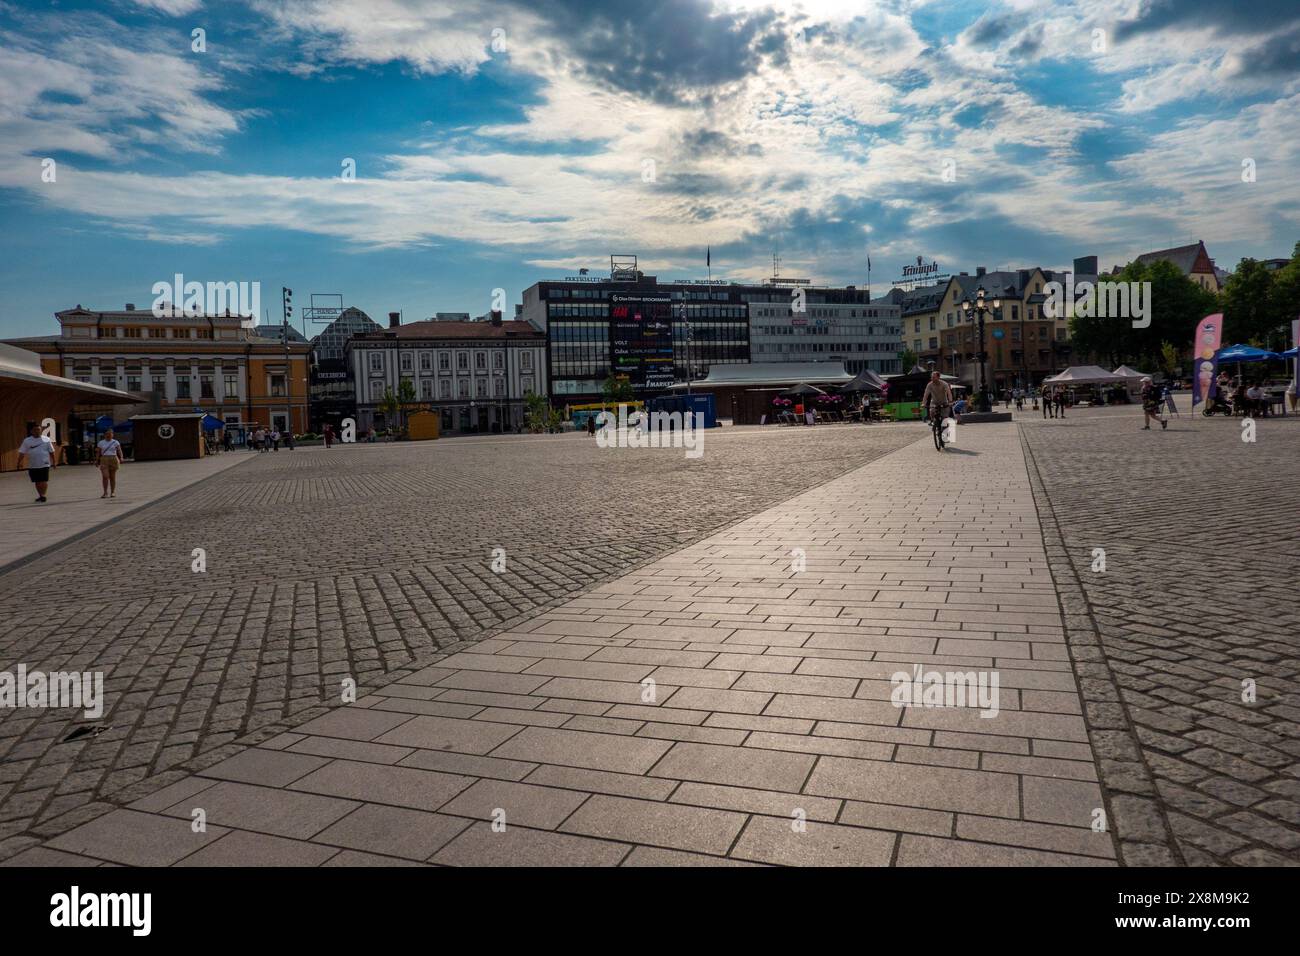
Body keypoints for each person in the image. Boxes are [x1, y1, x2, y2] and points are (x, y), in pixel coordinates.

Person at [17, 422, 57, 503]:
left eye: (39, 430)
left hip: (44, 463)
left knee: (44, 480)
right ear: (31, 431)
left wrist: (54, 462)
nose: (37, 431)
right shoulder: (27, 441)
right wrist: (19, 462)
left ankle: (43, 495)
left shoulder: (46, 439)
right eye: (35, 430)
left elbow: (51, 452)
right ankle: (40, 495)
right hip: (33, 465)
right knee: (37, 481)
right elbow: (22, 452)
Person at [96, 427, 124, 497]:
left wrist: (121, 457)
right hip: (104, 459)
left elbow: (119, 450)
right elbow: (98, 452)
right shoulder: (101, 442)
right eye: (107, 434)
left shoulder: (115, 442)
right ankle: (105, 492)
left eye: (110, 434)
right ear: (104, 435)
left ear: (112, 434)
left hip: (113, 458)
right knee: (105, 476)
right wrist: (97, 460)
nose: (108, 435)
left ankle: (112, 492)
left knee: (112, 477)